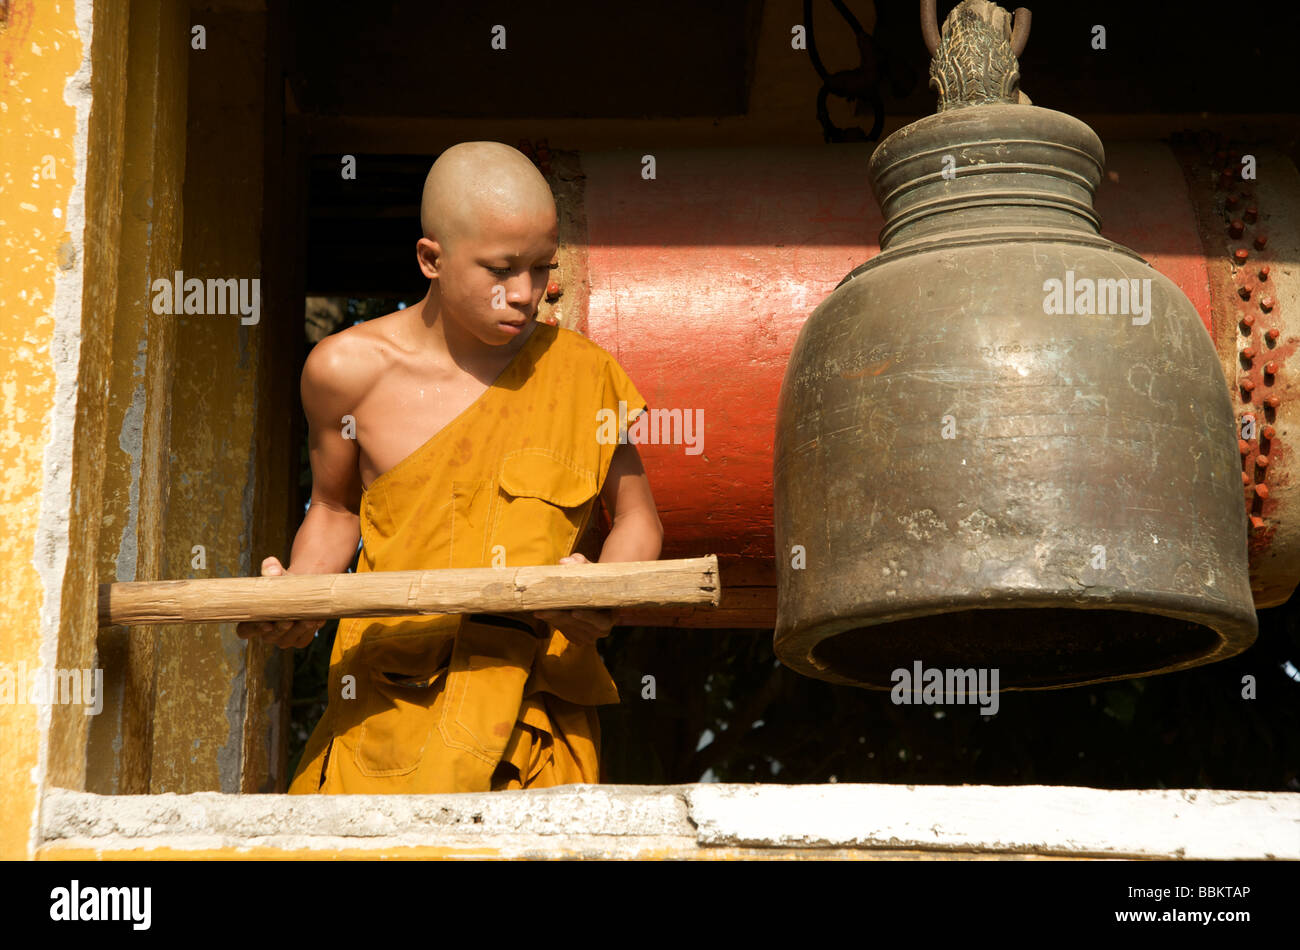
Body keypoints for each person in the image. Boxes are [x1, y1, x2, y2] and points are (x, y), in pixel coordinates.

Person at [237, 141, 663, 793]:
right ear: (430, 259)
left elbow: (636, 518)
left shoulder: (582, 373)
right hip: (387, 709)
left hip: (535, 726)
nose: (526, 295)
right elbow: (334, 509)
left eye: (542, 268)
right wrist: (299, 593)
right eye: (500, 270)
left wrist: (607, 588)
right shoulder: (345, 372)